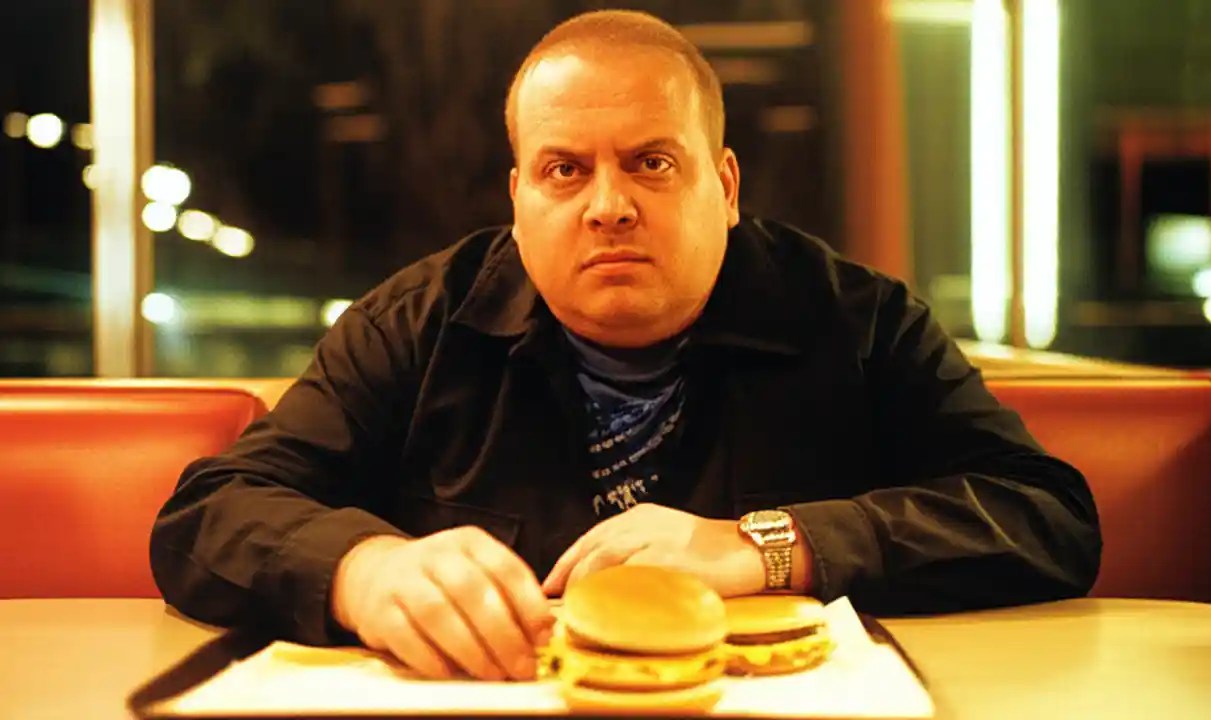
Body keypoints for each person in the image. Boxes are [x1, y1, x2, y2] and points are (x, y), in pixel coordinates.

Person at [150, 9, 1101, 682]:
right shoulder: (421, 321)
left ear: (724, 187)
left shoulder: (853, 319)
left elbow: (1046, 514)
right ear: (517, 199)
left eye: (652, 162)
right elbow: (208, 514)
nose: (609, 205)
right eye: (565, 170)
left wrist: (770, 548)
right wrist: (364, 570)